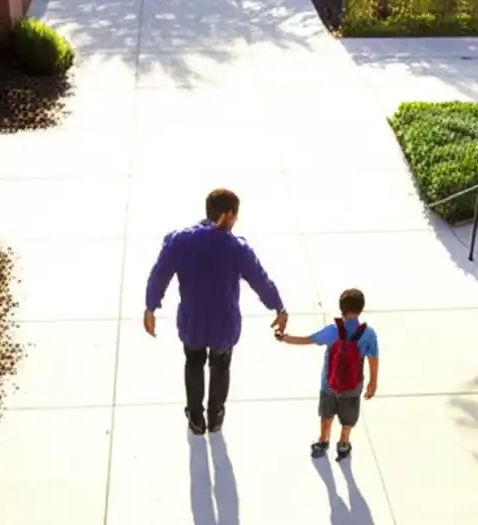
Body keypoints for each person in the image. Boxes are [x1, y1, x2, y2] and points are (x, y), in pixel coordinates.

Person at [145, 189, 288, 435]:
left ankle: (196, 417)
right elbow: (259, 280)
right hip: (224, 324)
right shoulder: (237, 248)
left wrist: (150, 307)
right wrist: (278, 306)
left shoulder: (179, 241)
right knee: (221, 366)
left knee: (193, 362)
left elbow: (159, 276)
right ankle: (216, 414)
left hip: (193, 322)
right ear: (228, 214)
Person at [277, 289, 379, 461]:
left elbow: (308, 339)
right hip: (353, 386)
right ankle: (344, 442)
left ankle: (323, 440)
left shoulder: (333, 331)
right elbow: (373, 357)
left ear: (342, 309)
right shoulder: (368, 334)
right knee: (349, 417)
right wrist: (373, 382)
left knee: (326, 414)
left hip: (329, 383)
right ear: (361, 309)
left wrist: (285, 338)